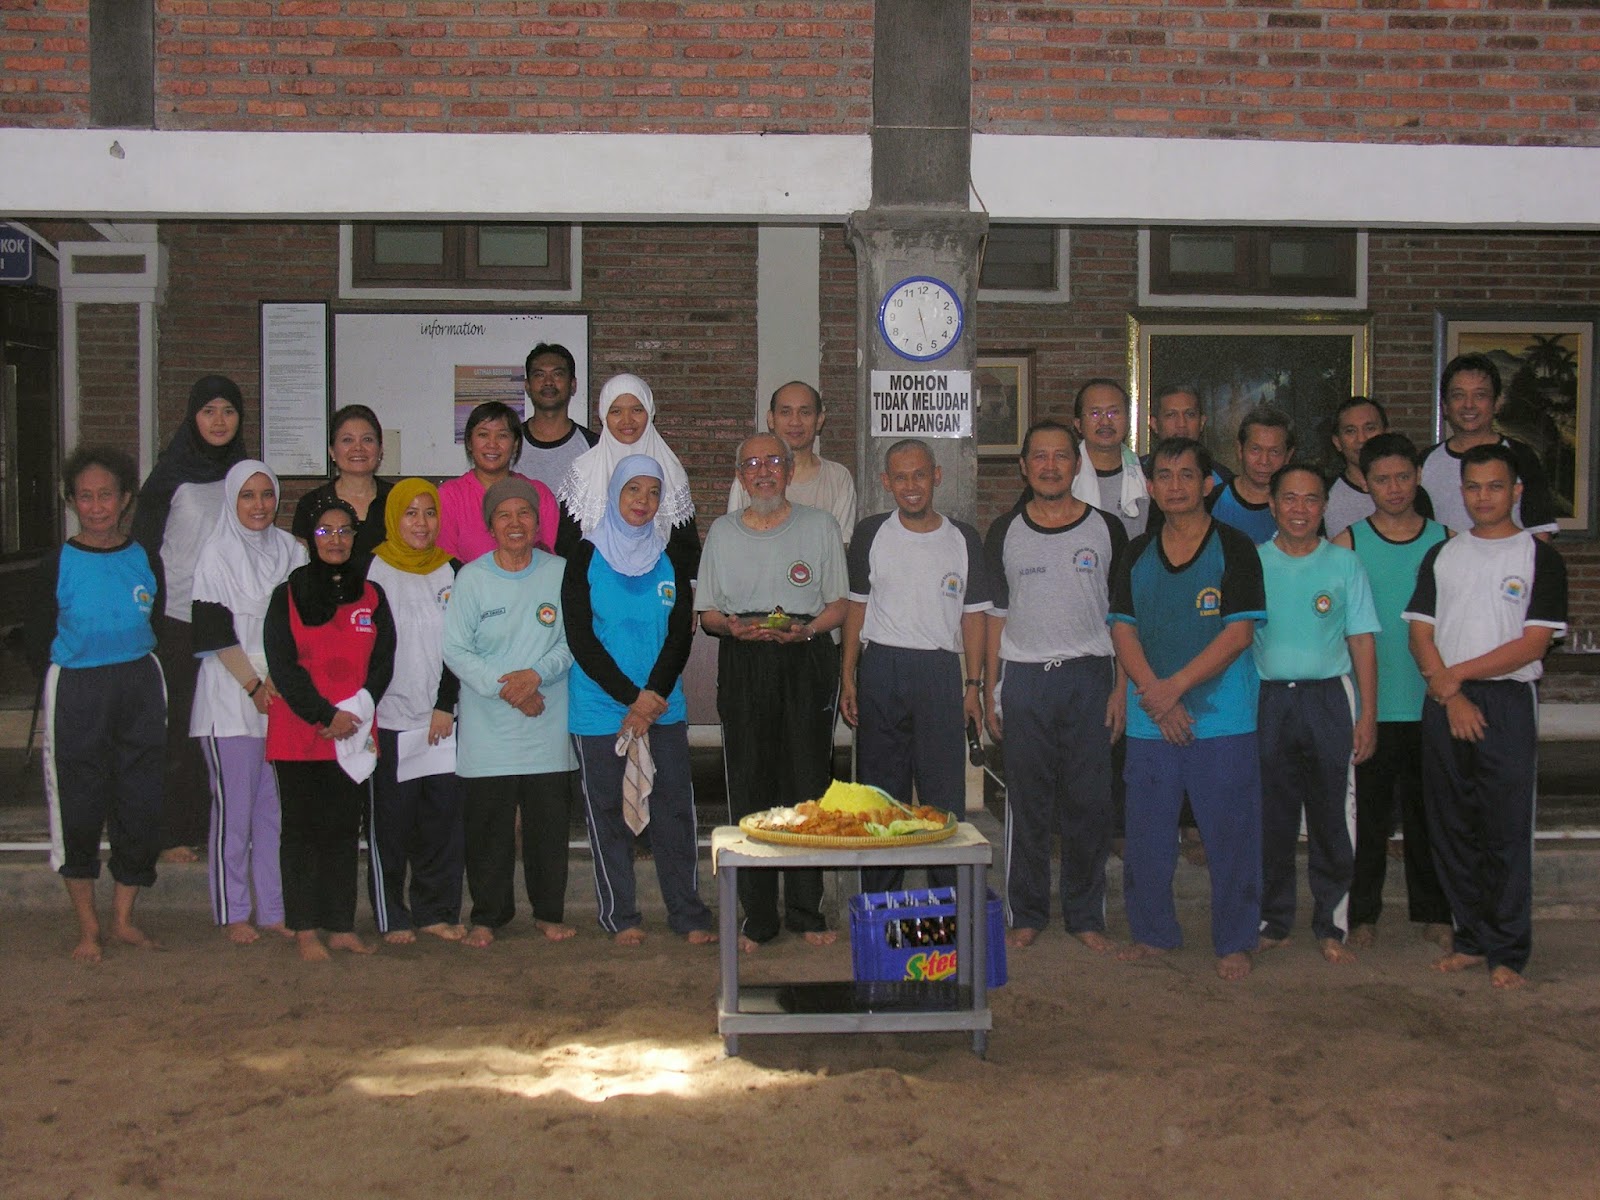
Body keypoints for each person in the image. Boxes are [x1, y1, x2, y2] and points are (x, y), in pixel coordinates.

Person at [1405, 443, 1568, 989]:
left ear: (1516, 492)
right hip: (1446, 702)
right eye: (1473, 488)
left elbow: (1533, 645)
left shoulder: (1538, 557)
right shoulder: (1443, 554)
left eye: (1495, 487)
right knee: (1451, 827)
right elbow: (1420, 632)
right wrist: (1450, 694)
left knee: (1503, 831)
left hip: (1504, 703)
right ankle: (1470, 938)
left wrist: (1459, 678)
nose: (1484, 497)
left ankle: (1508, 950)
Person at [1109, 437, 1266, 982]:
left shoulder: (1236, 547)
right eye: (1164, 476)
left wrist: (1173, 688)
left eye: (1186, 475)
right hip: (1153, 716)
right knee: (1148, 836)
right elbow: (1123, 632)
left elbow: (1239, 632)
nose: (1175, 486)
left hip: (1222, 716)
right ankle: (1153, 933)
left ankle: (1235, 941)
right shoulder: (1134, 553)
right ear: (1150, 488)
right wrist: (1155, 694)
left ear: (1208, 484)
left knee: (1230, 835)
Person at [698, 434, 849, 951]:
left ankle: (807, 911)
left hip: (805, 656)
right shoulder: (721, 532)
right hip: (743, 661)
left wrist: (805, 631)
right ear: (740, 475)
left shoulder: (820, 526)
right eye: (753, 464)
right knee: (750, 781)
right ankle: (758, 916)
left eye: (774, 463)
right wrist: (732, 628)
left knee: (806, 782)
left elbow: (838, 606)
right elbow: (709, 614)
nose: (764, 472)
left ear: (789, 471)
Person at [983, 420, 1126, 952]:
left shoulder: (1106, 530)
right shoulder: (1004, 530)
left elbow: (1123, 618)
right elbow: (995, 615)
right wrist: (992, 690)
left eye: (1061, 456)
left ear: (1077, 464)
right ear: (1024, 467)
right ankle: (1029, 911)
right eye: (1039, 457)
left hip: (1090, 676)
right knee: (1027, 802)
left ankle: (1087, 915)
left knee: (1091, 801)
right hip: (1024, 680)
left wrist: (1121, 689)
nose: (1049, 466)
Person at [565, 455, 716, 946]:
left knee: (675, 811)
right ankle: (621, 916)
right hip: (600, 709)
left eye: (653, 493)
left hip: (663, 708)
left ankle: (688, 915)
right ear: (614, 494)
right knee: (607, 813)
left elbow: (679, 635)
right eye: (633, 490)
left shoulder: (669, 557)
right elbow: (581, 639)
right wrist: (633, 699)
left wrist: (651, 700)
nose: (643, 502)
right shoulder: (585, 555)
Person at [28, 447, 165, 962]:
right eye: (85, 496)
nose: (96, 506)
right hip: (78, 691)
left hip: (139, 685)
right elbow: (39, 637)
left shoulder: (144, 558)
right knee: (79, 805)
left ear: (125, 499)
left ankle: (124, 919)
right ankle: (88, 928)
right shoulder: (55, 564)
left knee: (139, 799)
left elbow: (155, 615)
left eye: (106, 495)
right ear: (71, 502)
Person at [842, 439, 995, 896]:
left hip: (939, 673)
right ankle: (880, 900)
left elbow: (975, 615)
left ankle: (948, 900)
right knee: (880, 795)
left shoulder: (963, 538)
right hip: (882, 668)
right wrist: (848, 673)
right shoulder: (871, 533)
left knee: (942, 797)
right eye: (901, 477)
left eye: (920, 475)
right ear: (886, 482)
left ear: (936, 477)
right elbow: (856, 608)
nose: (912, 486)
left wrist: (973, 685)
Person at [1252, 464, 1380, 965]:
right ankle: (1273, 920)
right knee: (1273, 817)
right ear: (1272, 505)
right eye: (1290, 499)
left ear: (1324, 506)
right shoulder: (1252, 562)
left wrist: (1366, 715)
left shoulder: (1345, 564)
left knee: (1332, 816)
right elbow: (1239, 642)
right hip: (1269, 700)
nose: (1300, 509)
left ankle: (1332, 924)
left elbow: (1362, 640)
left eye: (1311, 499)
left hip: (1329, 698)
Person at [1331, 432, 1453, 949]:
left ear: (1418, 477)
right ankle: (1362, 914)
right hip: (1369, 705)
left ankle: (1437, 913)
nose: (1395, 487)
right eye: (1382, 479)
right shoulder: (1348, 544)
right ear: (1366, 482)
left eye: (1404, 476)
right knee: (1369, 818)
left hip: (1432, 701)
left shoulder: (1447, 541)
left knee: (1432, 815)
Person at [442, 477, 575, 948]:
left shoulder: (561, 572)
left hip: (547, 719)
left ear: (539, 523)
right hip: (489, 724)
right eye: (504, 515)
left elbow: (572, 642)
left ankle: (548, 912)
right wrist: (513, 690)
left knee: (547, 828)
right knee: (487, 829)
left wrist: (535, 677)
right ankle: (488, 915)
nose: (515, 523)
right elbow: (455, 649)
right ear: (490, 525)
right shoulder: (472, 577)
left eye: (524, 514)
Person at [264, 496, 396, 961]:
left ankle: (340, 924)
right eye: (325, 531)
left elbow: (382, 663)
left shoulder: (373, 594)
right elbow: (283, 666)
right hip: (302, 731)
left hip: (353, 732)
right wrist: (325, 716)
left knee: (343, 830)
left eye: (344, 531)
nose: (335, 540)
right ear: (309, 538)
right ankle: (303, 928)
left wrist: (352, 715)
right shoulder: (287, 595)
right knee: (300, 831)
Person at [189, 459, 307, 945]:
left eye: (266, 495)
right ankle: (234, 910)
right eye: (247, 496)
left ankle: (274, 908)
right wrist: (256, 687)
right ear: (232, 500)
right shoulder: (215, 553)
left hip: (280, 697)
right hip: (231, 697)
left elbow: (302, 622)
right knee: (234, 813)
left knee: (273, 812)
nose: (259, 506)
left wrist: (283, 684)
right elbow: (214, 632)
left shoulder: (290, 551)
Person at [132, 374, 247, 862]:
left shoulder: (248, 472)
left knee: (226, 725)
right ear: (192, 418)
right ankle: (175, 833)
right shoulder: (169, 476)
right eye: (208, 411)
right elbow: (144, 551)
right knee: (179, 725)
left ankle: (219, 826)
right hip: (178, 619)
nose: (219, 421)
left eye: (228, 411)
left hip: (234, 620)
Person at [364, 478, 467, 944]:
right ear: (393, 517)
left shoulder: (453, 571)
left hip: (441, 721)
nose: (421, 523)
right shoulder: (371, 570)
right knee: (391, 824)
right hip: (387, 720)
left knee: (441, 822)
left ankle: (436, 911)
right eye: (411, 513)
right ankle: (392, 915)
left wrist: (445, 704)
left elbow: (460, 646)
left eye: (429, 513)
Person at [556, 373, 700, 574]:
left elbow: (686, 553)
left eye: (637, 410)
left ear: (649, 412)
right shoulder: (583, 471)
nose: (627, 421)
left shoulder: (671, 471)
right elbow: (566, 548)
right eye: (616, 411)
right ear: (604, 415)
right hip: (593, 587)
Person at [1419, 353, 1559, 538]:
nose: (1469, 405)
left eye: (1480, 395)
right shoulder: (1425, 462)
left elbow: (1540, 533)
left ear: (1497, 403)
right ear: (1444, 405)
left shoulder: (1521, 456)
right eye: (1458, 395)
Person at [727, 381, 857, 542]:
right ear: (771, 419)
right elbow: (734, 537)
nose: (795, 422)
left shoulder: (838, 478)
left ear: (819, 420)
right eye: (785, 412)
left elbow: (839, 545)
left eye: (805, 413)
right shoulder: (752, 476)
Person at [437, 400, 559, 563]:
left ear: (515, 444)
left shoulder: (539, 493)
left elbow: (550, 558)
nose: (492, 444)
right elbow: (446, 561)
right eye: (483, 435)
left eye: (502, 435)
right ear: (469, 442)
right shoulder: (449, 496)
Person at [291, 404, 393, 566]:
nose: (358, 448)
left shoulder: (399, 500)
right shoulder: (311, 504)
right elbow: (301, 564)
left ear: (380, 449)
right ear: (332, 451)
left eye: (367, 439)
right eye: (347, 440)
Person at [1324, 397, 1434, 540]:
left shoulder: (1414, 495)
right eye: (1350, 431)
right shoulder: (1325, 494)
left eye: (1370, 428)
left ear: (1386, 433)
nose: (1361, 439)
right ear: (1337, 442)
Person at [1071, 378, 1150, 538]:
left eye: (1114, 412)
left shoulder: (1147, 474)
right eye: (1095, 413)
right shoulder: (1061, 476)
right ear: (1078, 424)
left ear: (1128, 420)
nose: (1105, 421)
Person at [519, 342, 598, 493]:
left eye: (557, 374)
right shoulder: (510, 444)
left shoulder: (594, 448)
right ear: (527, 386)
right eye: (539, 375)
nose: (548, 382)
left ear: (573, 385)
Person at [1210, 405, 1293, 544]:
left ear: (1288, 455)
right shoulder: (1212, 499)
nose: (1264, 461)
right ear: (1240, 449)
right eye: (1255, 449)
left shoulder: (1299, 507)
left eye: (1274, 452)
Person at [1141, 384, 1233, 492]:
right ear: (1154, 424)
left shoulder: (1223, 482)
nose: (1182, 424)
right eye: (1171, 415)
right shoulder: (1134, 474)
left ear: (1202, 422)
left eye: (1190, 414)